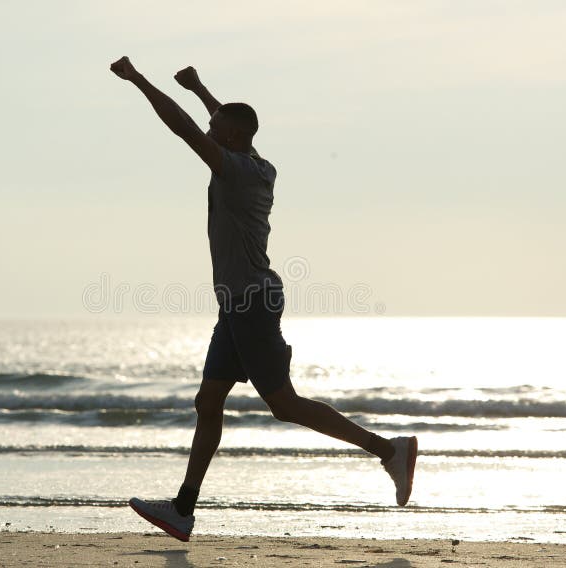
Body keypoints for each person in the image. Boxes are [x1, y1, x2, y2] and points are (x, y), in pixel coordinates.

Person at [109, 56, 417, 542]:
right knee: (208, 401)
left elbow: (187, 130)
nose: (210, 131)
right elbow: (227, 124)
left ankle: (388, 450)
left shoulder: (234, 170)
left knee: (284, 405)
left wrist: (140, 80)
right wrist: (201, 88)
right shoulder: (258, 162)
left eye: (217, 129)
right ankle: (183, 510)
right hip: (236, 304)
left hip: (251, 302)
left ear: (227, 138)